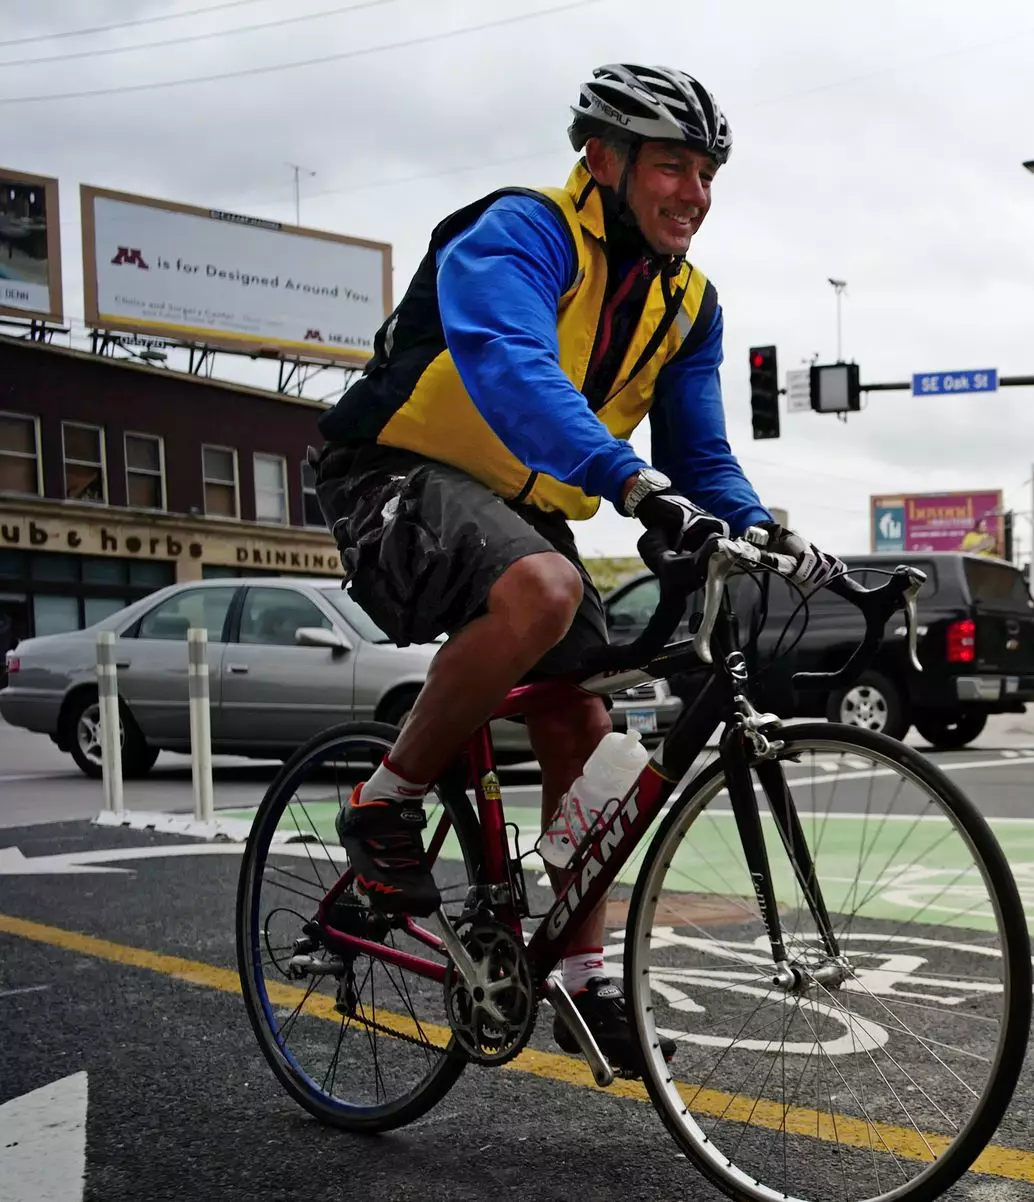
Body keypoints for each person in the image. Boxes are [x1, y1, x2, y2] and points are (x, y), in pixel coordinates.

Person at [312, 64, 844, 1075]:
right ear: (601, 159)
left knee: (587, 727)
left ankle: (580, 976)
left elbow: (701, 453)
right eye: (671, 166)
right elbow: (512, 365)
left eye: (707, 173)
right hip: (391, 468)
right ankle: (385, 794)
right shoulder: (520, 233)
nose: (693, 192)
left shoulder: (690, 303)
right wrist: (625, 480)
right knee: (544, 590)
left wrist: (760, 526)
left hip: (522, 505)